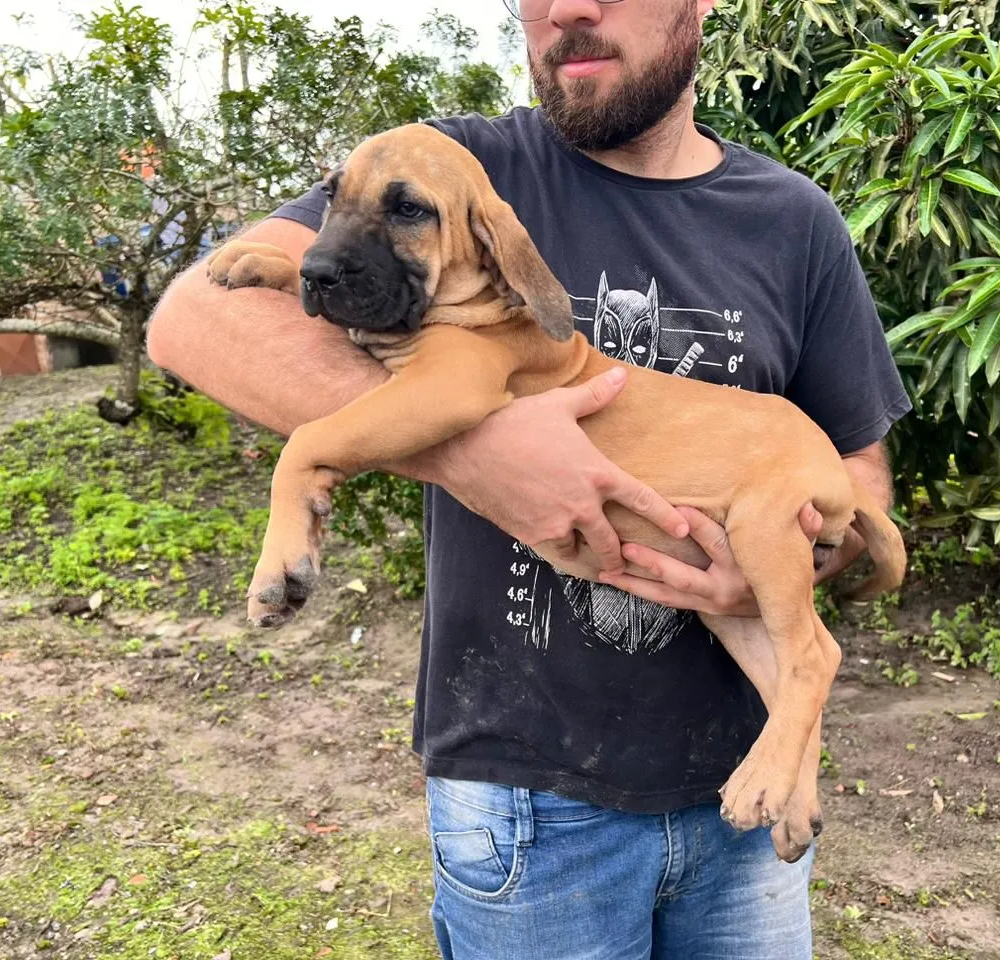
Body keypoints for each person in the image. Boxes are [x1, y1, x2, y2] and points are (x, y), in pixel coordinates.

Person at [147, 0, 911, 955]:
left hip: (741, 791)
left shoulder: (793, 220)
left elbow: (854, 470)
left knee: (785, 641)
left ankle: (793, 747)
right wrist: (480, 452)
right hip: (527, 811)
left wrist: (785, 560)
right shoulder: (443, 160)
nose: (570, 6)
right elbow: (189, 318)